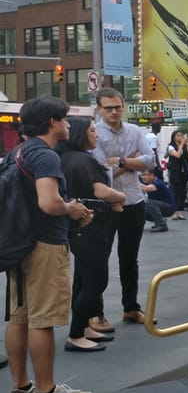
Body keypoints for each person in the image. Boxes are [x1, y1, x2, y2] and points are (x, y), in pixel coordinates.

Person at [4, 96, 94, 393]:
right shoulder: (45, 156)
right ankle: (46, 392)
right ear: (52, 122)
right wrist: (72, 208)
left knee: (19, 317)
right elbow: (49, 203)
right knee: (42, 320)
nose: (69, 124)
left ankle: (21, 388)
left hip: (19, 243)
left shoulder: (18, 152)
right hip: (45, 244)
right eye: (65, 119)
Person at [59, 117, 127, 351]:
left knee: (82, 279)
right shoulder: (83, 160)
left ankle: (84, 328)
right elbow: (100, 191)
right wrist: (121, 197)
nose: (96, 135)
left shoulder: (66, 158)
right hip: (91, 227)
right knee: (96, 282)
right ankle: (76, 334)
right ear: (80, 134)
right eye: (91, 130)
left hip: (77, 228)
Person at [92, 87, 156, 327]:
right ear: (99, 109)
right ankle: (96, 312)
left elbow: (150, 161)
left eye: (117, 107)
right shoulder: (94, 134)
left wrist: (118, 161)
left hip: (133, 201)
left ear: (124, 105)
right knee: (101, 258)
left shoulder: (134, 130)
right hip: (106, 205)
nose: (114, 112)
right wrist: (132, 162)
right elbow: (101, 172)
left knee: (130, 259)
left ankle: (131, 308)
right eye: (108, 108)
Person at [165, 130, 188, 220]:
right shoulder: (170, 147)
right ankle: (174, 212)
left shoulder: (184, 146)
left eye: (181, 136)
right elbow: (177, 155)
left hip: (183, 171)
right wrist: (181, 145)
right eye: (178, 136)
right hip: (175, 171)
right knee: (175, 191)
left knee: (182, 192)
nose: (180, 137)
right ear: (174, 137)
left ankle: (180, 211)